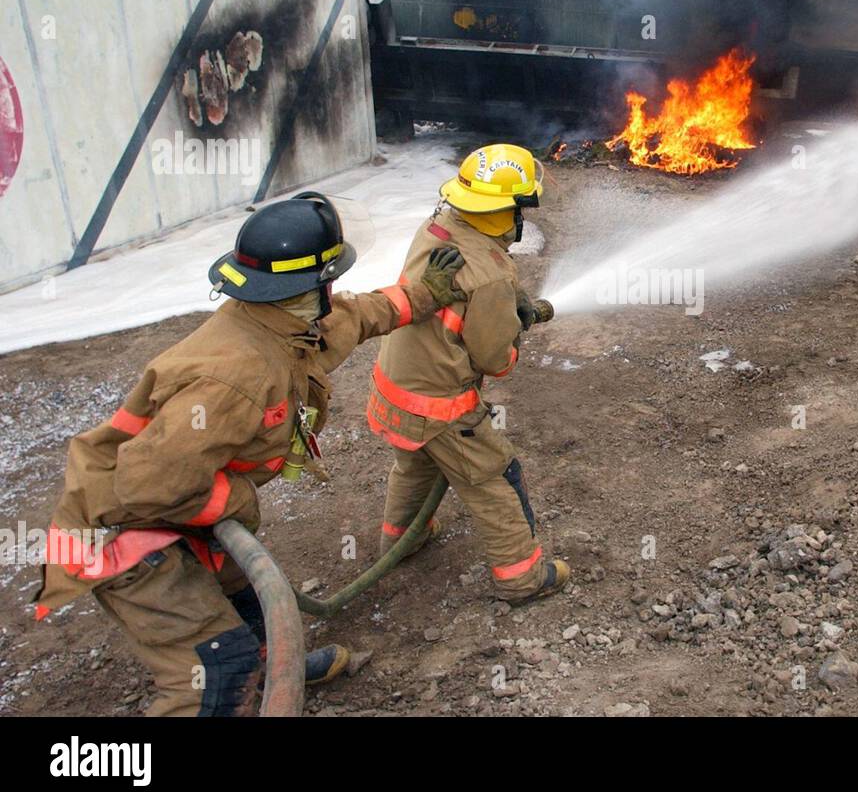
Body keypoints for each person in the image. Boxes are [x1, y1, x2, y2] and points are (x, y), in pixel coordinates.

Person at [34, 191, 467, 716]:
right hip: (129, 532)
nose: (335, 290)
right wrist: (235, 501)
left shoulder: (279, 323)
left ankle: (278, 667)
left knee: (246, 594)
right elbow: (149, 484)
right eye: (329, 280)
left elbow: (357, 316)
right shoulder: (240, 375)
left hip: (179, 511)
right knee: (216, 673)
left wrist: (425, 293)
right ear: (313, 287)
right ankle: (246, 679)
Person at [367, 144, 568, 605]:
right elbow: (495, 359)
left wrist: (509, 306)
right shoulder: (491, 275)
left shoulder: (436, 228)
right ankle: (522, 578)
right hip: (439, 406)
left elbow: (460, 301)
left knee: (414, 465)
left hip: (395, 385)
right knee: (494, 479)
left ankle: (402, 541)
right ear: (507, 211)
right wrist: (513, 330)